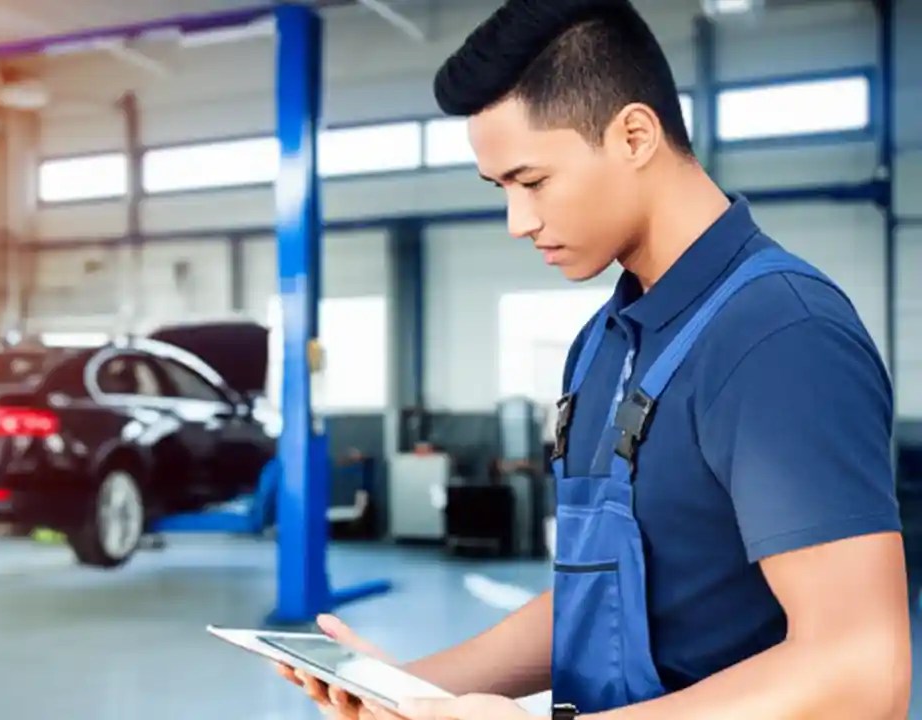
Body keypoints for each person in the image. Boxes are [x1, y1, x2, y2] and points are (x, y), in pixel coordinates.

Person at [277, 0, 912, 718]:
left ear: (635, 134)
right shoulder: (603, 345)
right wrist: (414, 691)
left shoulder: (778, 337)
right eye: (501, 190)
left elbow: (862, 670)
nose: (518, 222)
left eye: (533, 181)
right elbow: (601, 600)